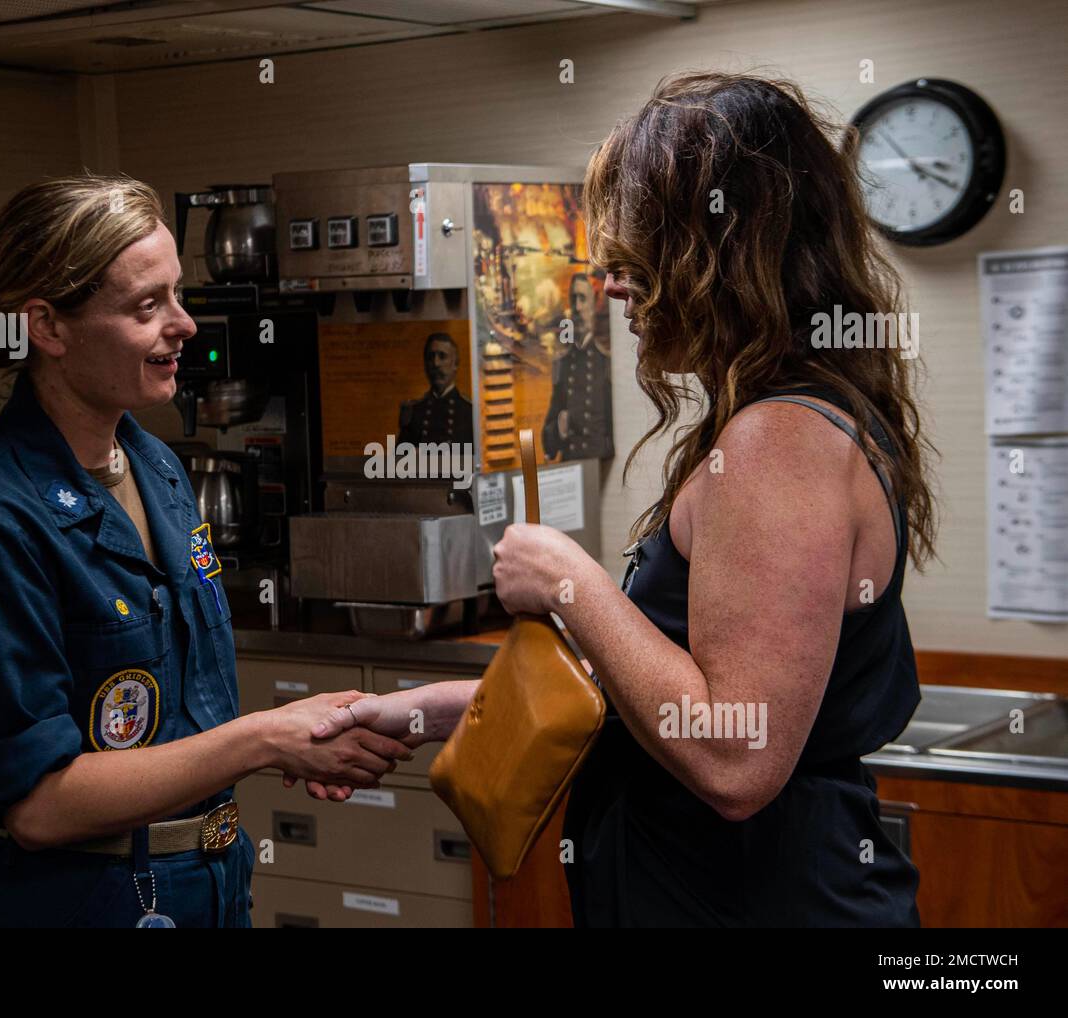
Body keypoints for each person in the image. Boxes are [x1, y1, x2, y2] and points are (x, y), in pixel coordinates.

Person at [295, 72, 936, 928]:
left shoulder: (779, 441)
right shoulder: (779, 422)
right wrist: (415, 713)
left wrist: (568, 578)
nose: (611, 285)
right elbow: (654, 691)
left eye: (640, 256)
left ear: (721, 251)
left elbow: (734, 758)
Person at [0, 175, 411, 928]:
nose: (185, 326)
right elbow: (39, 805)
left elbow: (183, 720)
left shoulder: (159, 469)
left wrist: (301, 739)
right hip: (81, 904)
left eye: (178, 295)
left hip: (206, 881)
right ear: (47, 326)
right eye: (148, 306)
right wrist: (265, 740)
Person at [542, 273, 614, 461]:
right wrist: (558, 427)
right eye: (573, 299)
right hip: (571, 464)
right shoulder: (564, 362)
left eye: (583, 298)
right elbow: (547, 442)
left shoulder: (605, 360)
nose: (577, 307)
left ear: (595, 303)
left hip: (599, 464)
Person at [397, 332, 474, 446]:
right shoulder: (413, 410)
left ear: (455, 364)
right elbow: (400, 459)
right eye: (430, 357)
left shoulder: (470, 412)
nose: (436, 363)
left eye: (442, 356)